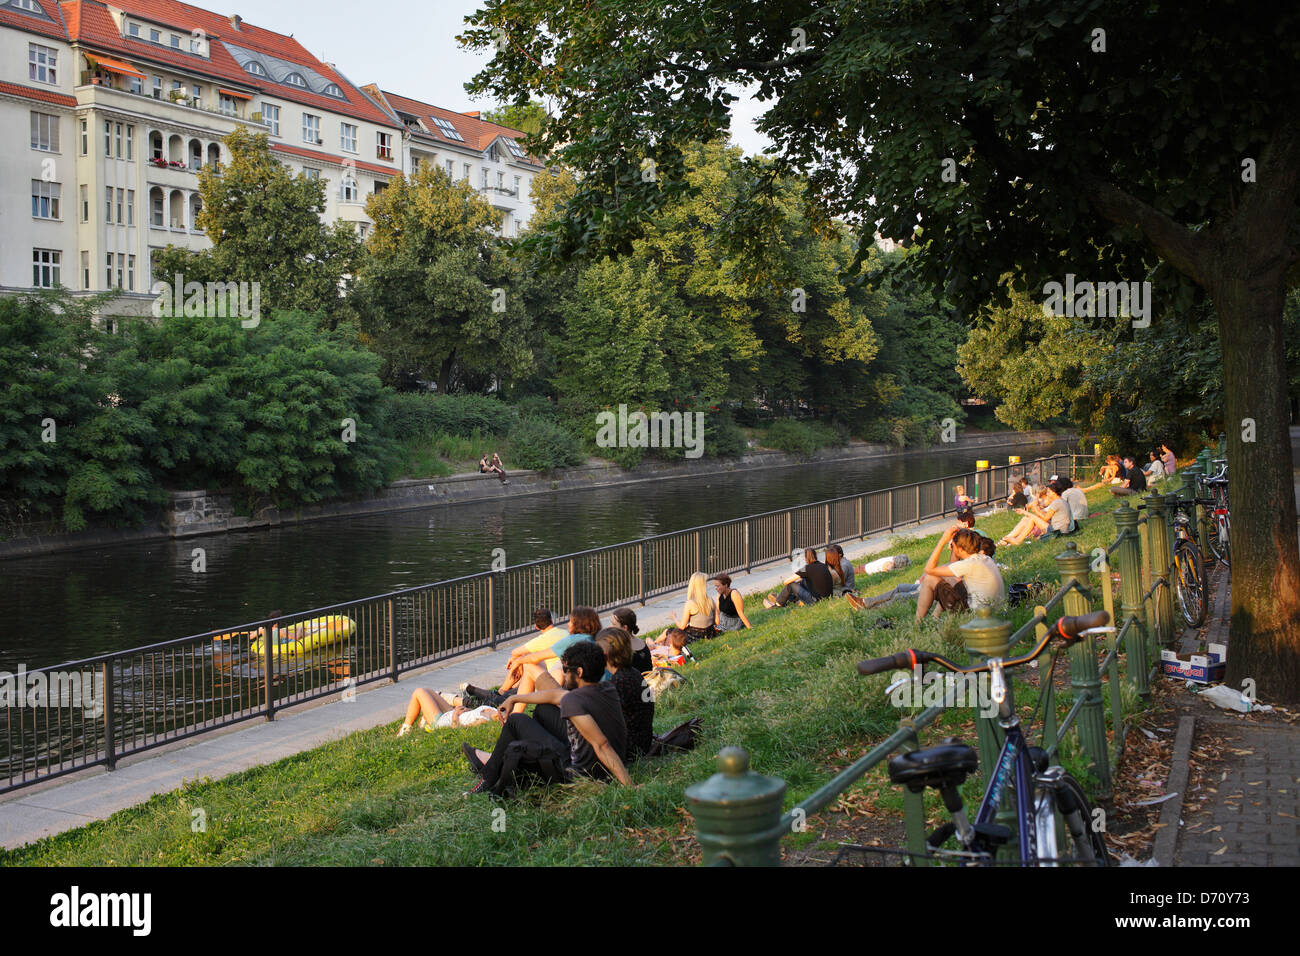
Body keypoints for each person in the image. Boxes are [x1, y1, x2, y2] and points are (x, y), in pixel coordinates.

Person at [464, 641, 630, 793]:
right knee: (544, 710)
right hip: (598, 764)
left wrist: (630, 785)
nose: (564, 674)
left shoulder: (574, 701)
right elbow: (555, 696)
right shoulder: (607, 688)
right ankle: (521, 763)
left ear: (579, 672)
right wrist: (514, 698)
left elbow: (602, 745)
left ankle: (489, 777)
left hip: (578, 774)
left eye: (566, 669)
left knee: (515, 721)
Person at [594, 627, 654, 760]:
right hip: (644, 740)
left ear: (605, 655)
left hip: (631, 748)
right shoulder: (633, 672)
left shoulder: (618, 682)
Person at [396, 688, 503, 736]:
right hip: (452, 713)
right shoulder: (493, 710)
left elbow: (457, 729)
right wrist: (467, 710)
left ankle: (405, 729)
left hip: (444, 721)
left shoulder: (484, 720)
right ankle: (423, 719)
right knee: (428, 691)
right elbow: (472, 715)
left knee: (419, 692)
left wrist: (455, 715)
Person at [998, 481, 1073, 546]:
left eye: (1049, 492)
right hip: (1060, 529)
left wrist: (1032, 511)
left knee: (1032, 519)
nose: (1047, 494)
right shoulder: (1060, 501)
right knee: (1028, 518)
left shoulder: (1056, 503)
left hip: (1057, 531)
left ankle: (1017, 540)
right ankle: (1008, 539)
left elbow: (1045, 518)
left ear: (1054, 492)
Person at [764, 548, 834, 608]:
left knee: (791, 585)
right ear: (815, 555)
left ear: (806, 558)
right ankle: (789, 599)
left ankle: (778, 603)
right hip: (827, 597)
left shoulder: (806, 568)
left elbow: (786, 582)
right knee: (803, 580)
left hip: (815, 600)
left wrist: (795, 583)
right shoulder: (823, 565)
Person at [677, 571, 716, 642]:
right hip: (710, 634)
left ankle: (655, 645)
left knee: (668, 631)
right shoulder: (710, 600)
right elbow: (715, 621)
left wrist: (674, 618)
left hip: (694, 636)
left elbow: (682, 627)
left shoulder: (690, 603)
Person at [612, 606, 652, 671]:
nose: (611, 627)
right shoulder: (642, 643)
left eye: (614, 624)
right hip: (648, 677)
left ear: (625, 628)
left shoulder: (621, 648)